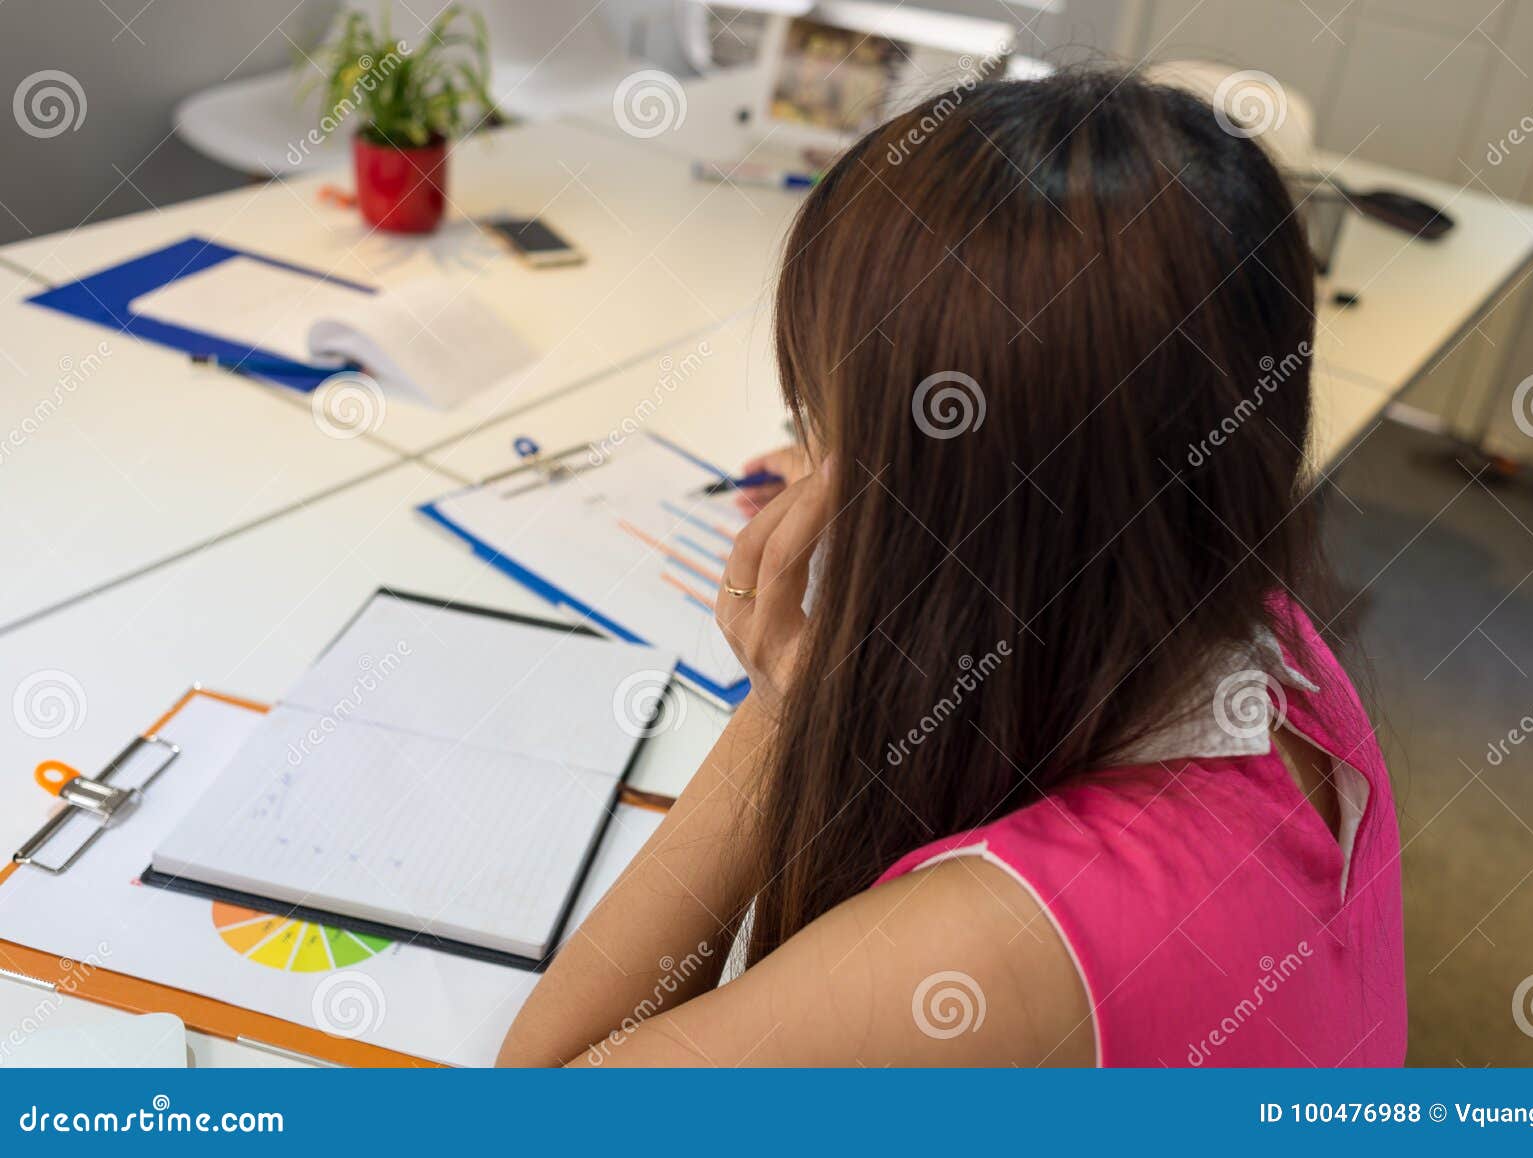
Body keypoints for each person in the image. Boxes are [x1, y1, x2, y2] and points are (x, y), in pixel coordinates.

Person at [497, 66, 1405, 1067]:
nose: (810, 458)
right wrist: (906, 474)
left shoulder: (986, 949)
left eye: (818, 420)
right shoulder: (1259, 640)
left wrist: (795, 709)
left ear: (939, 515)